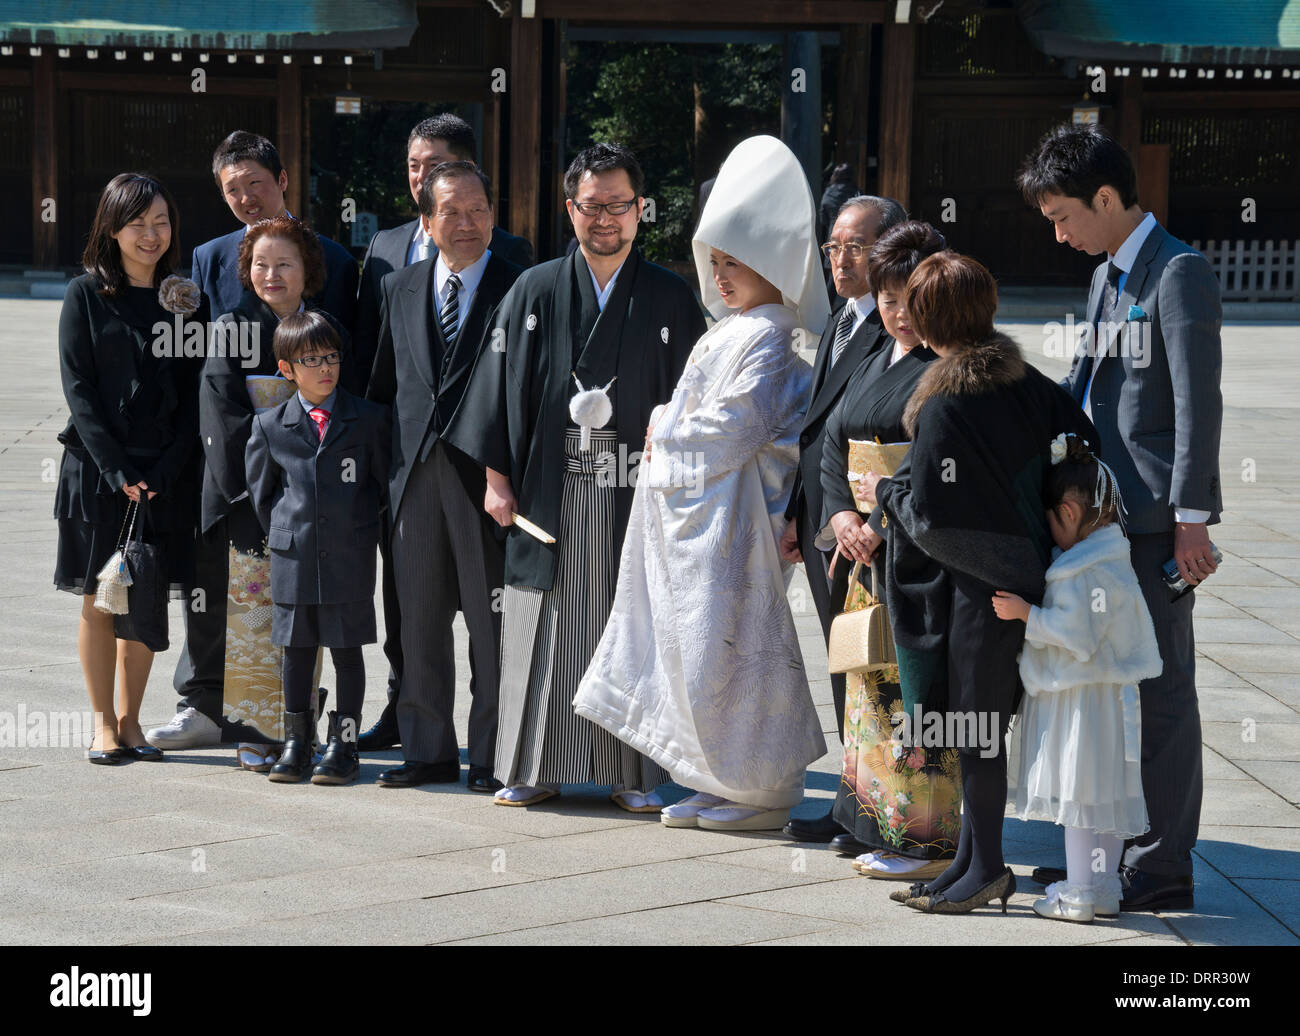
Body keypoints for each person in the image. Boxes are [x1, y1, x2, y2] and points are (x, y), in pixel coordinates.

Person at [574, 134, 829, 830]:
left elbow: (736, 427)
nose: (719, 276)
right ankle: (717, 777)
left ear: (773, 264)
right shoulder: (733, 331)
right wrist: (664, 421)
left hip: (735, 526)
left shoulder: (771, 339)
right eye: (714, 262)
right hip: (700, 519)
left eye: (734, 263)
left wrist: (664, 431)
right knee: (697, 653)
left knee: (738, 654)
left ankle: (763, 787)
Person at [444, 142, 705, 810]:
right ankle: (533, 765)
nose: (607, 219)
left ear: (640, 210)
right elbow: (497, 392)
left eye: (620, 205)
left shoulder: (672, 297)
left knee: (632, 623)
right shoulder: (532, 290)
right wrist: (495, 479)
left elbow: (696, 403)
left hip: (634, 492)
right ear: (571, 209)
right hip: (546, 486)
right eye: (593, 207)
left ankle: (632, 773)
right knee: (541, 623)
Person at [1016, 125, 1222, 911]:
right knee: (1112, 683)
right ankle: (1108, 852)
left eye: (1065, 216)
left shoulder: (1180, 272)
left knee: (1165, 688)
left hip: (1159, 521)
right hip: (1104, 519)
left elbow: (1200, 405)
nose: (1060, 234)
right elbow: (1083, 386)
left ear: (1107, 198)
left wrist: (1192, 521)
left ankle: (1166, 864)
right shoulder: (1109, 276)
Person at [856, 252, 1094, 914]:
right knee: (978, 728)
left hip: (976, 590)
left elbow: (930, 516)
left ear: (930, 323)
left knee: (978, 731)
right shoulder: (1036, 386)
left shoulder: (944, 404)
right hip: (1030, 580)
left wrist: (885, 493)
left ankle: (986, 866)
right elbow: (1081, 460)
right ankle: (966, 860)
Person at [150, 130, 359, 752]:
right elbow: (201, 365)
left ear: (284, 180)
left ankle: (291, 717)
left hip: (310, 457)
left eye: (256, 184)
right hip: (228, 451)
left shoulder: (336, 261)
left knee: (299, 598)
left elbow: (350, 359)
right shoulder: (212, 256)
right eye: (232, 190)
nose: (245, 198)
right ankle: (202, 701)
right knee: (215, 581)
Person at [353, 113, 534, 755]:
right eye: (451, 213)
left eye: (478, 210)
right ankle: (425, 750)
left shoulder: (521, 286)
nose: (467, 223)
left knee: (492, 628)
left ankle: (490, 754)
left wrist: (510, 473)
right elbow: (382, 388)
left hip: (487, 480)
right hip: (412, 480)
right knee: (418, 622)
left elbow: (531, 393)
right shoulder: (398, 285)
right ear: (426, 223)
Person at [813, 220, 956, 877]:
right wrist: (842, 512)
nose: (899, 313)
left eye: (911, 299)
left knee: (914, 692)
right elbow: (831, 448)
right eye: (889, 299)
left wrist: (881, 519)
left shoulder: (951, 369)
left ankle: (926, 841)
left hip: (921, 556)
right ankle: (876, 823)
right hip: (865, 557)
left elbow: (942, 466)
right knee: (868, 692)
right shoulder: (877, 358)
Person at [54, 172, 206, 764]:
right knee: (100, 597)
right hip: (97, 473)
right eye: (138, 223)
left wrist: (167, 468)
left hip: (164, 475)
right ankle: (101, 724)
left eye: (162, 222)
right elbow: (79, 389)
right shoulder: (85, 294)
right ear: (112, 228)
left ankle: (132, 720)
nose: (152, 235)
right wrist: (116, 467)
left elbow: (199, 393)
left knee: (143, 599)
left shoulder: (186, 299)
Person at [195, 215, 350, 770]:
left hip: (319, 495)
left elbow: (343, 407)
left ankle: (300, 730)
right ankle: (255, 727)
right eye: (260, 264)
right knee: (256, 615)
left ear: (308, 269)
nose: (271, 274)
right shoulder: (232, 326)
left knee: (309, 616)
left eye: (284, 263)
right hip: (253, 493)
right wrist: (260, 492)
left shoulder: (326, 328)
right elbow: (222, 414)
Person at [992, 433, 1161, 923]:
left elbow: (1078, 635)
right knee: (1103, 798)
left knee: (1080, 799)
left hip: (1082, 701)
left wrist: (1027, 614)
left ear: (1067, 512)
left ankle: (1081, 894)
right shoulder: (1113, 558)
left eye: (1051, 521)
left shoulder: (1083, 570)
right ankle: (1103, 888)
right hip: (1106, 698)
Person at [779, 194, 905, 849]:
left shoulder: (898, 325)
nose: (841, 259)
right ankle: (851, 802)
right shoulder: (841, 320)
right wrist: (804, 512)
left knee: (880, 672)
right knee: (843, 663)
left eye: (856, 245)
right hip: (827, 521)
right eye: (833, 246)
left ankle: (888, 810)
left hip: (876, 532)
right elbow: (818, 429)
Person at [244, 311, 390, 784]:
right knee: (297, 650)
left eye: (331, 357)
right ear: (286, 369)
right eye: (311, 360)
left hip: (349, 554)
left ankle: (344, 746)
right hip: (294, 557)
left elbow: (380, 486)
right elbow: (264, 495)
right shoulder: (270, 425)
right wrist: (290, 533)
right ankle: (295, 741)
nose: (325, 368)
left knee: (347, 652)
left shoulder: (367, 419)